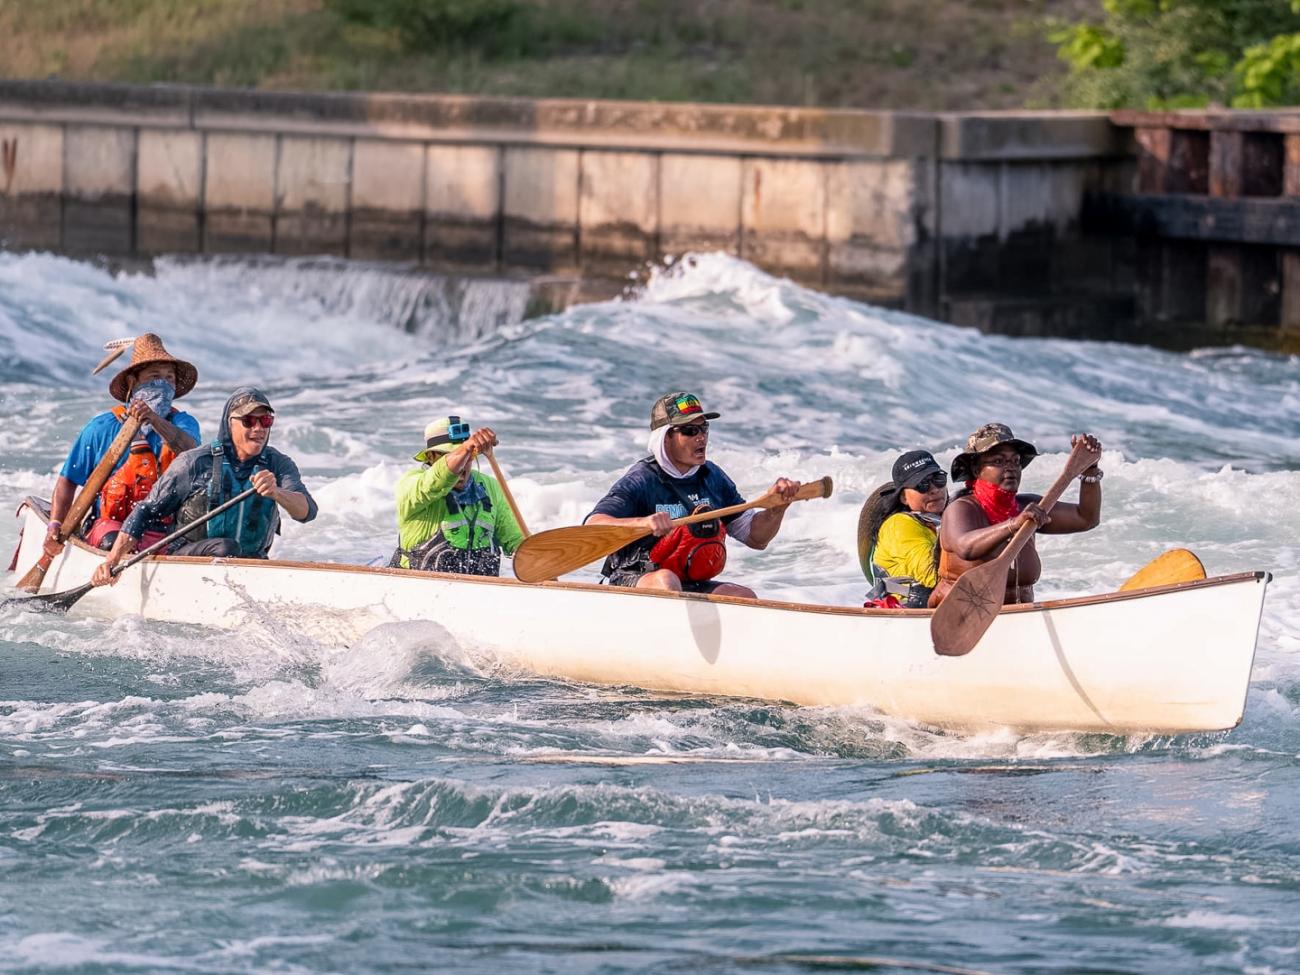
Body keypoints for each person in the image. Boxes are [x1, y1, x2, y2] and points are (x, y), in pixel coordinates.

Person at [585, 391, 802, 599]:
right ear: (665, 437)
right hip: (635, 577)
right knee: (666, 581)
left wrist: (777, 509)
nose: (701, 437)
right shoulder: (642, 479)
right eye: (690, 431)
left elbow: (756, 539)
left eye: (704, 429)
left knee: (742, 596)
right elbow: (593, 525)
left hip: (687, 581)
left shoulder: (713, 477)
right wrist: (644, 522)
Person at [92, 387, 316, 586]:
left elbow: (307, 513)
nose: (259, 428)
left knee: (233, 551)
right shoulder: (195, 462)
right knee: (227, 549)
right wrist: (112, 561)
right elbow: (146, 511)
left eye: (265, 421)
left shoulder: (278, 464)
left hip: (252, 566)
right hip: (187, 564)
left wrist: (277, 492)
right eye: (249, 421)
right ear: (229, 423)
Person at [43, 333, 201, 556]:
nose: (163, 385)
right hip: (111, 527)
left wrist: (154, 420)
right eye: (154, 376)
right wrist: (55, 524)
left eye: (169, 379)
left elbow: (191, 452)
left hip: (164, 531)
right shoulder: (101, 428)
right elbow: (68, 481)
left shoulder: (183, 424)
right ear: (132, 382)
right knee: (114, 541)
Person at [929, 423, 1102, 607]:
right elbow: (966, 547)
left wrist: (1089, 471)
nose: (1011, 468)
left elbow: (1086, 518)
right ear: (976, 470)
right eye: (998, 461)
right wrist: (1014, 524)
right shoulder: (961, 508)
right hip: (958, 618)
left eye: (1015, 461)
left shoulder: (1026, 506)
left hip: (1018, 617)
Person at [391, 415, 524, 576]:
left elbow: (516, 543)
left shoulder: (490, 486)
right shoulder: (412, 484)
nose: (462, 465)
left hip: (479, 594)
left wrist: (542, 559)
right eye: (452, 455)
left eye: (469, 456)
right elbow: (438, 479)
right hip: (417, 590)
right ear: (430, 457)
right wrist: (466, 448)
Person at [857, 449, 948, 608]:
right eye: (922, 484)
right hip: (907, 614)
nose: (934, 489)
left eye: (938, 479)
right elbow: (935, 575)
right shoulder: (899, 525)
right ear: (903, 497)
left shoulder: (943, 518)